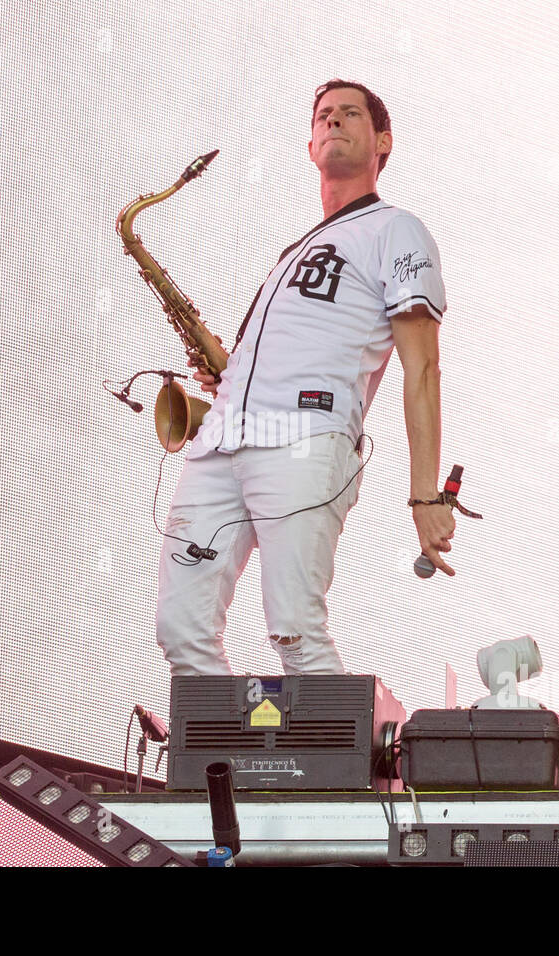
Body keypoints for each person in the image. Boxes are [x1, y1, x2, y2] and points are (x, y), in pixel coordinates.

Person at [155, 79, 454, 677]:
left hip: (303, 440)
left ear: (382, 141)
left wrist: (424, 495)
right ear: (309, 143)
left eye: (350, 114)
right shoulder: (296, 249)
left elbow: (422, 367)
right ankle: (228, 770)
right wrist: (231, 377)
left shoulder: (395, 229)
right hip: (220, 443)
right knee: (181, 629)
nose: (335, 121)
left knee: (293, 627)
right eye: (324, 116)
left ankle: (331, 773)